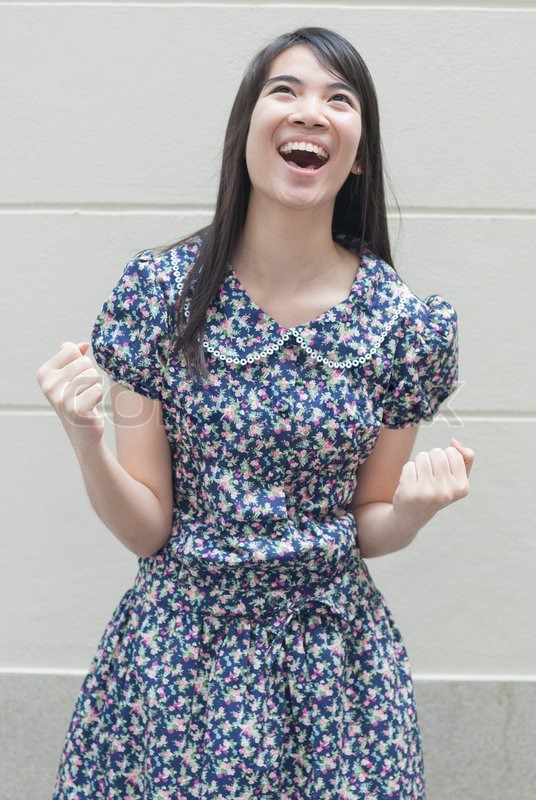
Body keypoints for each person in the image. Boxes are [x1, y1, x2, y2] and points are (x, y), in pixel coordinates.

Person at [37, 26, 474, 800]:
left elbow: (369, 519)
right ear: (248, 129)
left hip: (335, 673)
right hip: (180, 663)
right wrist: (85, 439)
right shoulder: (161, 298)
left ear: (359, 152)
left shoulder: (403, 326)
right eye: (286, 91)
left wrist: (409, 512)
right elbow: (148, 527)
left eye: (339, 100)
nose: (311, 113)